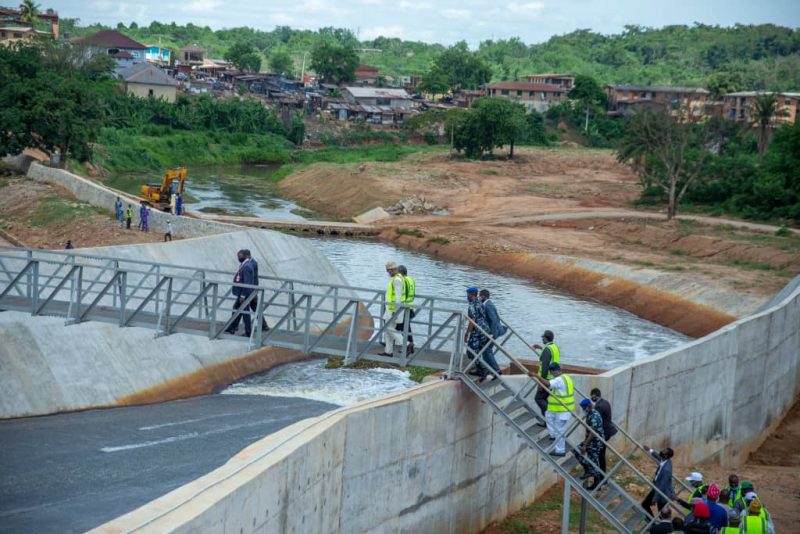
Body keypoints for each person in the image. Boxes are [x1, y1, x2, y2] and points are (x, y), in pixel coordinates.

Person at [531, 363, 573, 457]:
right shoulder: (566, 378)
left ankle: (560, 450)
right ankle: (553, 435)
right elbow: (549, 386)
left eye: (552, 372)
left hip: (562, 410)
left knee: (560, 430)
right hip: (561, 409)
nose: (553, 374)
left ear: (554, 371)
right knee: (548, 415)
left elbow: (548, 383)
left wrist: (536, 376)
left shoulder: (558, 380)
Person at [224, 249, 256, 337]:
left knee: (244, 312)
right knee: (236, 309)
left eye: (240, 256)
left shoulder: (246, 267)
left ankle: (248, 331)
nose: (239, 258)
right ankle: (232, 327)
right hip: (242, 293)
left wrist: (243, 295)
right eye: (238, 256)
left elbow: (247, 282)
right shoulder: (244, 265)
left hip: (244, 294)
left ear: (246, 256)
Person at [464, 287, 493, 381]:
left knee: (471, 351)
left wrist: (467, 333)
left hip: (478, 331)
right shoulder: (480, 302)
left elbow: (472, 321)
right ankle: (482, 368)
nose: (467, 296)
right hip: (485, 329)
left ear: (471, 294)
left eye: (468, 294)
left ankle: (482, 370)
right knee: (479, 350)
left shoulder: (472, 305)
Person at [575, 398, 604, 490]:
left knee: (591, 460)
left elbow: (592, 433)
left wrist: (585, 445)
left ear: (588, 406)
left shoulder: (594, 415)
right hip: (591, 441)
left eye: (584, 408)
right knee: (592, 461)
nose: (583, 410)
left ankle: (594, 476)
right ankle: (593, 476)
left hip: (595, 442)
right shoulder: (590, 413)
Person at [378, 261, 404, 357]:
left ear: (393, 270)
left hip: (393, 310)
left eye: (389, 271)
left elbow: (398, 297)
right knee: (389, 330)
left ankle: (406, 344)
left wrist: (395, 311)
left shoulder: (397, 280)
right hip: (391, 309)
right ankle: (388, 352)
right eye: (387, 271)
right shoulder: (397, 278)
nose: (388, 273)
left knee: (388, 328)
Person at [532, 330, 560, 417]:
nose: (542, 339)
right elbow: (549, 354)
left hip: (546, 379)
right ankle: (547, 421)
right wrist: (540, 347)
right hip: (553, 378)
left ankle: (550, 415)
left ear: (546, 338)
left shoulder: (547, 350)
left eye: (543, 337)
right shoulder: (554, 347)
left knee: (539, 398)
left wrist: (541, 382)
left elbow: (545, 367)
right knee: (543, 398)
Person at [641, 447, 675, 517]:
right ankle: (654, 524)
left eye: (664, 451)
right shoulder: (665, 460)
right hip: (657, 489)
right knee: (662, 514)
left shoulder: (666, 470)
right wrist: (650, 450)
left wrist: (655, 499)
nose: (661, 450)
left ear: (666, 455)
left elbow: (662, 485)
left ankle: (652, 525)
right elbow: (658, 456)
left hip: (662, 493)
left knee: (662, 514)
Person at [478, 289, 505, 377]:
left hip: (494, 332)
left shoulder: (488, 305)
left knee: (487, 350)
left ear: (483, 296)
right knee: (485, 349)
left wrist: (491, 334)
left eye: (480, 296)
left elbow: (493, 320)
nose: (479, 298)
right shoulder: (487, 304)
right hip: (494, 331)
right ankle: (489, 369)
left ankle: (496, 370)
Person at [590, 387, 616, 474]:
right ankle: (602, 474)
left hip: (604, 432)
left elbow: (596, 422)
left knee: (599, 454)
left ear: (595, 396)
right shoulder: (605, 402)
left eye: (592, 396)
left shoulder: (599, 407)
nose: (591, 398)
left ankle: (600, 475)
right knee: (601, 453)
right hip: (608, 431)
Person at [244, 249, 269, 333]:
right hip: (250, 290)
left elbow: (254, 279)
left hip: (250, 290)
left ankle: (247, 330)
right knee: (254, 308)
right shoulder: (251, 262)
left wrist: (254, 292)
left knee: (246, 308)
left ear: (247, 256)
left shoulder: (252, 264)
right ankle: (264, 326)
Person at [397, 265, 414, 354]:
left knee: (399, 328)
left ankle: (407, 346)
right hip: (410, 307)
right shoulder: (410, 279)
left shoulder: (403, 280)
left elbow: (403, 295)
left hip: (404, 308)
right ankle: (410, 346)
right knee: (407, 329)